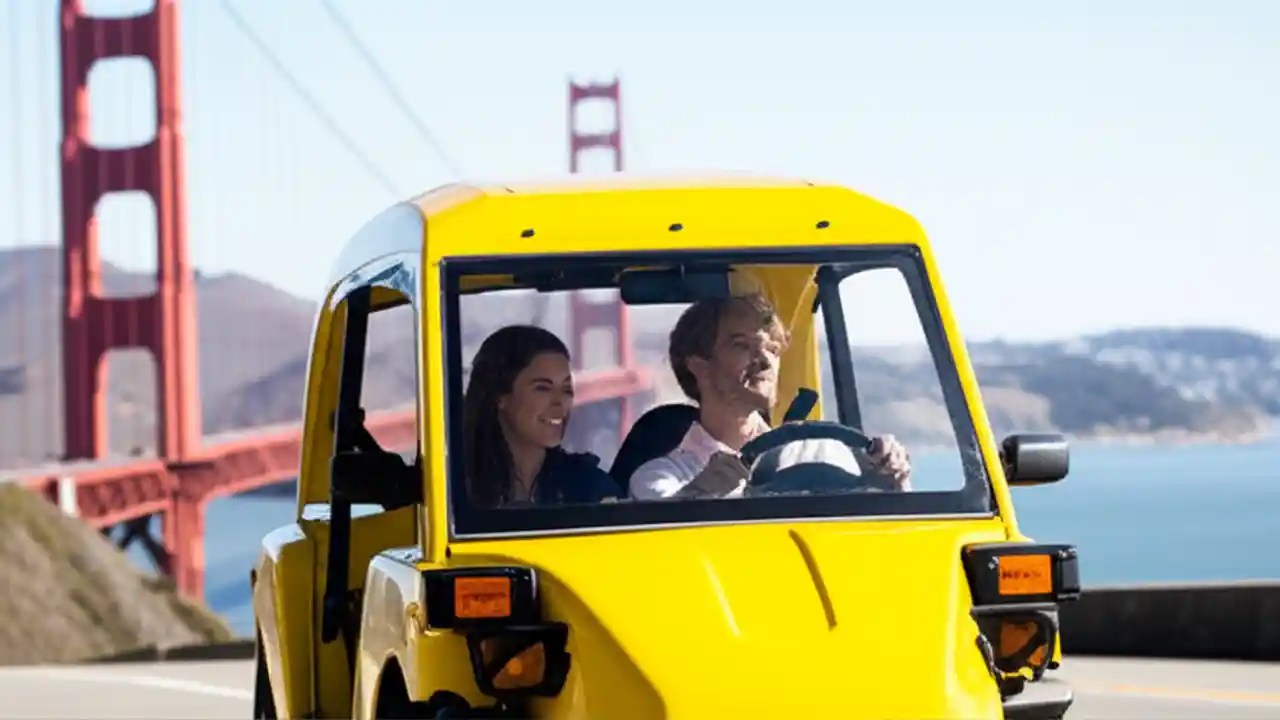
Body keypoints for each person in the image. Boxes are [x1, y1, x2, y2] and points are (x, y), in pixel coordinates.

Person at [629, 293, 912, 500]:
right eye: (742, 345)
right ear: (699, 366)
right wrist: (699, 494)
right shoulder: (660, 479)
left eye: (773, 349)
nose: (766, 361)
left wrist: (893, 481)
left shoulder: (824, 452)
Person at [463, 325, 621, 507]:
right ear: (499, 396)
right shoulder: (453, 487)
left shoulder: (591, 488)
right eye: (543, 388)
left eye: (566, 389)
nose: (559, 402)